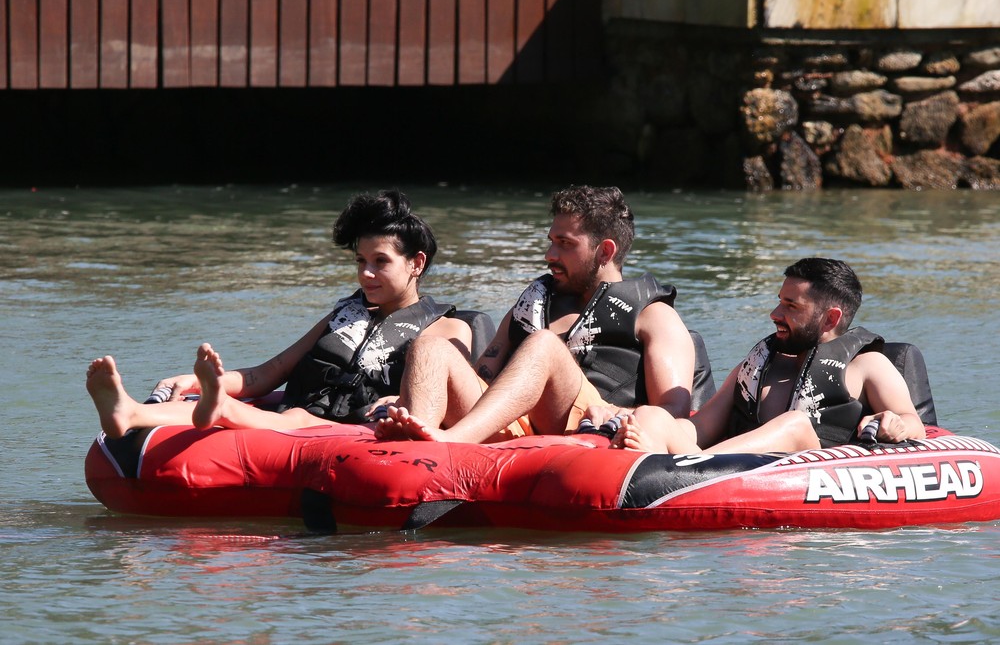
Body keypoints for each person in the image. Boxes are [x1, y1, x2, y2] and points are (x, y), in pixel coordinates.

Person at [86, 190, 472, 438]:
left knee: (299, 420)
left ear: (416, 263)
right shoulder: (346, 314)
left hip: (358, 431)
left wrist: (392, 396)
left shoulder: (447, 328)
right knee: (284, 413)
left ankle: (145, 412)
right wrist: (195, 382)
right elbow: (267, 374)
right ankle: (137, 412)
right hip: (299, 414)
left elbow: (446, 401)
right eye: (360, 261)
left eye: (380, 262)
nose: (365, 273)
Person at [376, 184, 696, 444]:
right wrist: (412, 393)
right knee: (429, 347)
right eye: (550, 242)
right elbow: (483, 378)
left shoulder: (653, 315)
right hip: (513, 425)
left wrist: (616, 412)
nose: (550, 255)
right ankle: (416, 445)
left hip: (588, 425)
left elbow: (673, 413)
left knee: (543, 344)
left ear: (605, 251)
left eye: (564, 244)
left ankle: (451, 441)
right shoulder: (532, 305)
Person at [613, 257, 927, 454]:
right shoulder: (756, 365)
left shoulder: (868, 365)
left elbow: (915, 424)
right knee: (651, 415)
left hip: (807, 473)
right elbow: (700, 428)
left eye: (791, 306)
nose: (774, 313)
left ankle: (695, 465)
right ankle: (678, 466)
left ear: (830, 319)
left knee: (795, 424)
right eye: (779, 301)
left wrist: (895, 423)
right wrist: (646, 423)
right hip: (733, 474)